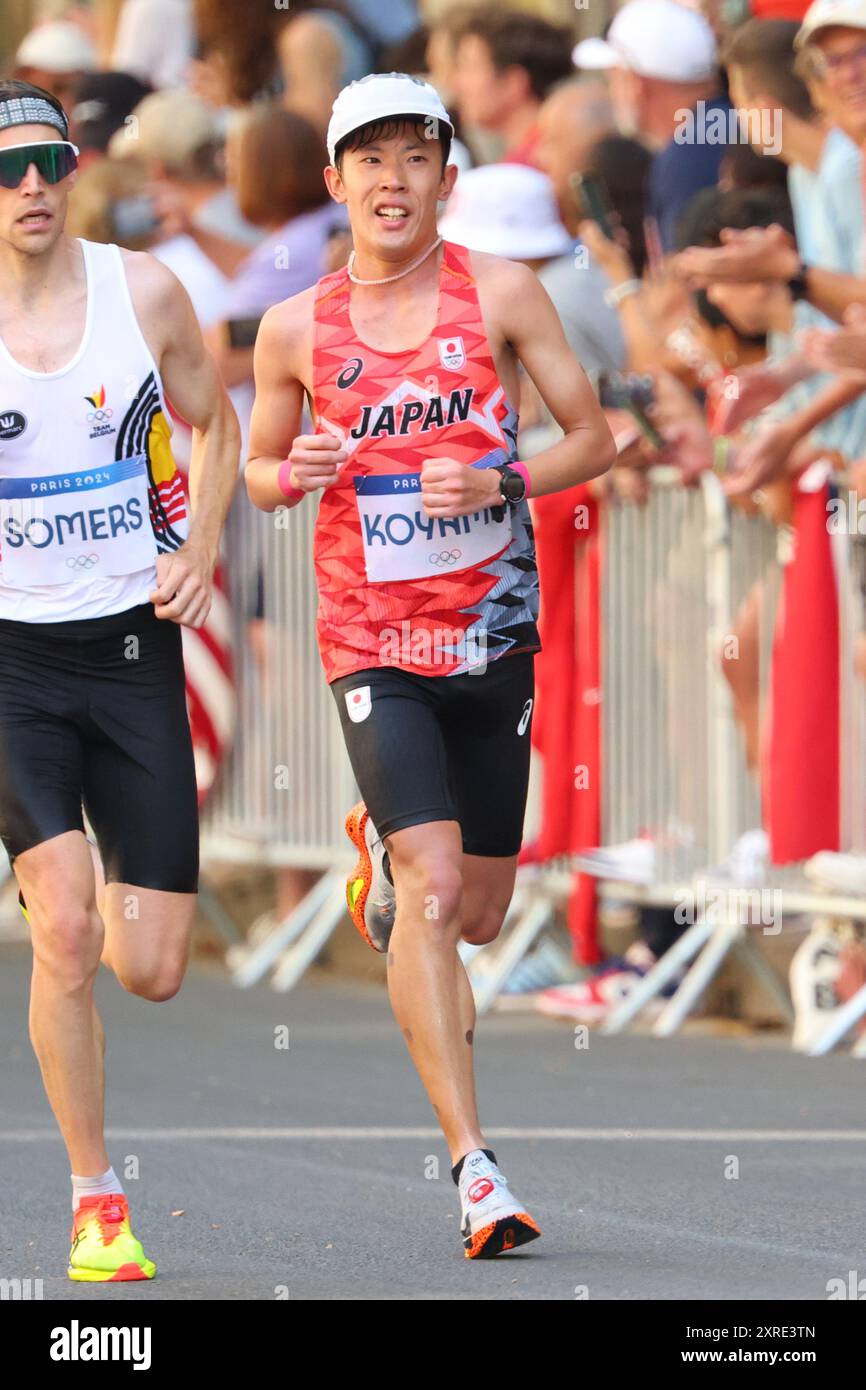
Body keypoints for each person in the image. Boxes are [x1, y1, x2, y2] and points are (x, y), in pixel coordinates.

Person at [246, 72, 615, 1259]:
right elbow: (255, 468)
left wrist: (502, 479)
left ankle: (387, 866)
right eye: (369, 160)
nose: (391, 182)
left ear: (445, 179)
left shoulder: (499, 293)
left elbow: (594, 435)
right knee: (440, 885)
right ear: (334, 182)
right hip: (372, 643)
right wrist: (287, 474)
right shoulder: (296, 326)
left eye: (413, 159)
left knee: (482, 914)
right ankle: (473, 1165)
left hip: (490, 637)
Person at [0, 78, 240, 1280]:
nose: (29, 187)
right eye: (6, 172)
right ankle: (98, 1199)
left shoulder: (141, 290)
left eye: (46, 163)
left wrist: (198, 547)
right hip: (13, 662)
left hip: (134, 642)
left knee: (149, 969)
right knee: (70, 932)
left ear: (76, 166)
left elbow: (216, 419)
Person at [578, 0, 734, 252]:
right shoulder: (720, 126)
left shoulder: (687, 155)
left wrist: (622, 281)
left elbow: (684, 285)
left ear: (636, 84)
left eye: (614, 79)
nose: (610, 92)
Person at [451, 7, 574, 167]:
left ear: (513, 82)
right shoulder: (529, 161)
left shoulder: (541, 166)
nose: (457, 84)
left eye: (470, 68)